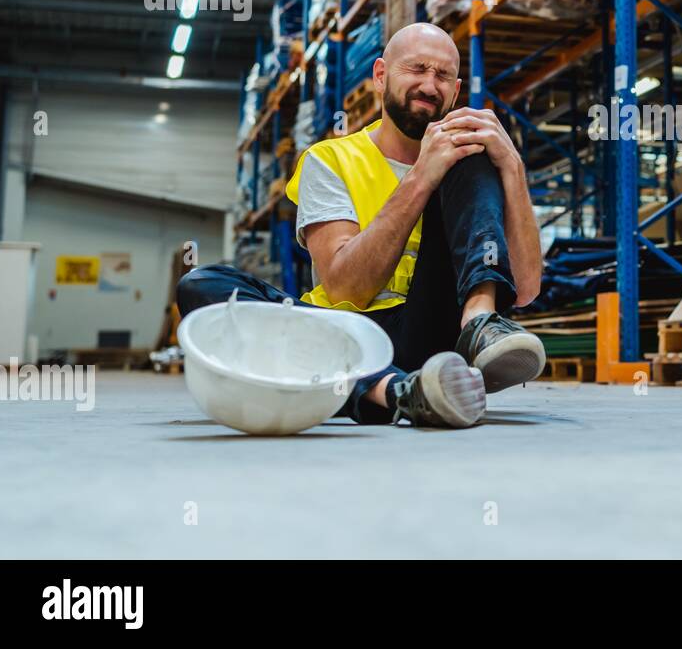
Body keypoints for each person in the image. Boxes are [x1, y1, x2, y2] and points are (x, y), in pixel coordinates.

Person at [178, 23, 545, 429]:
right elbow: (344, 288)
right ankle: (399, 391)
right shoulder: (330, 160)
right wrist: (422, 174)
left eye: (442, 76)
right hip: (341, 333)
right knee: (202, 285)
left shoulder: (467, 167)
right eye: (417, 69)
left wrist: (512, 166)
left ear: (455, 91)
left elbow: (526, 289)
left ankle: (478, 323)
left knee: (471, 148)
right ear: (380, 76)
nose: (429, 85)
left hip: (431, 332)